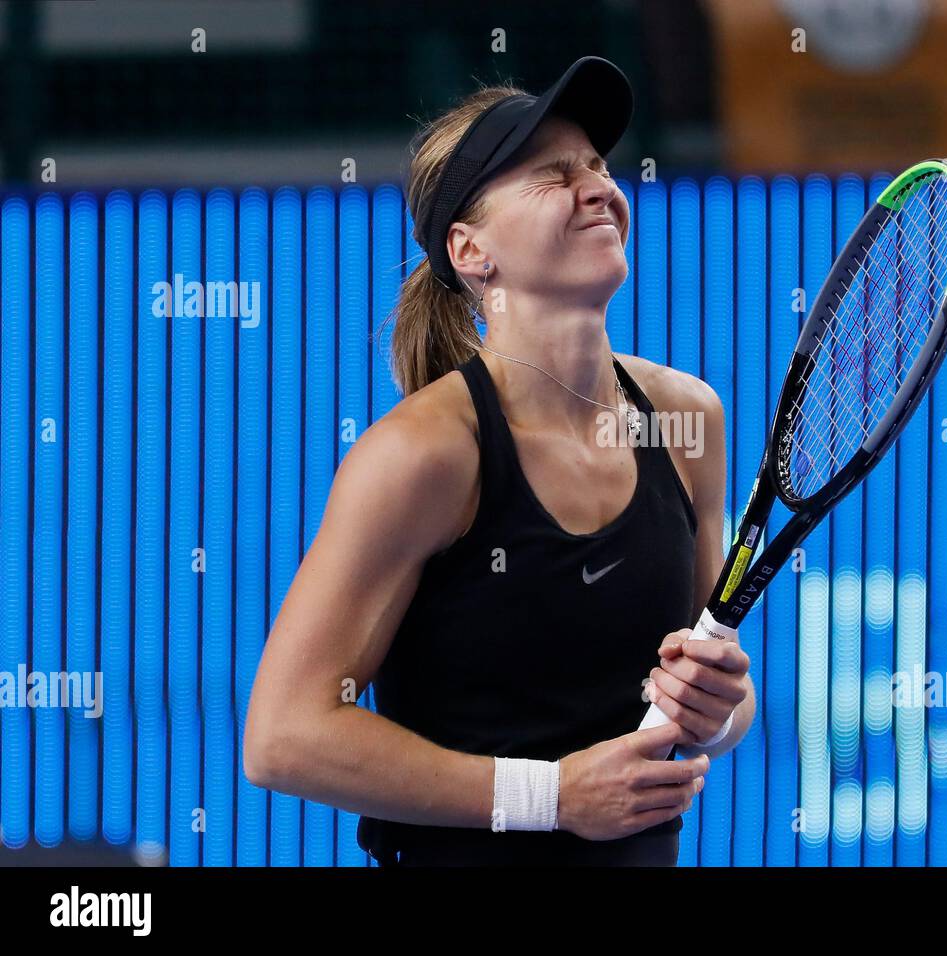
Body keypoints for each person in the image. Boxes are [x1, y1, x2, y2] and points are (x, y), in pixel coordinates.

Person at [245, 56, 755, 866]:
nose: (598, 187)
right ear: (471, 250)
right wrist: (549, 797)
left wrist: (719, 706)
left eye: (597, 165)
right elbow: (283, 736)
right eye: (554, 175)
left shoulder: (687, 421)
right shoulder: (423, 455)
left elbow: (714, 706)